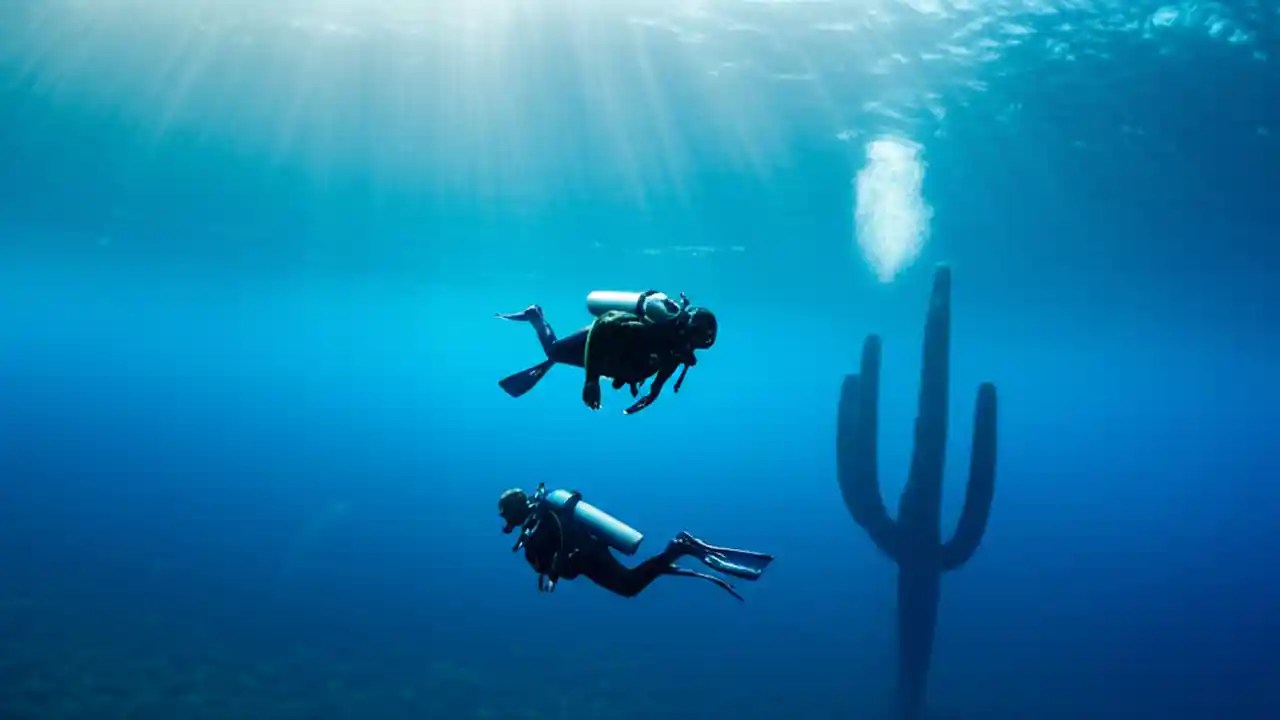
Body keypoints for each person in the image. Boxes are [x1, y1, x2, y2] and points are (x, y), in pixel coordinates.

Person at [497, 484, 773, 601]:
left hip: (585, 557)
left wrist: (556, 568)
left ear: (516, 509)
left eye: (507, 513)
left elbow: (551, 569)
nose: (507, 520)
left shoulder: (535, 527)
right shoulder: (546, 510)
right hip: (593, 547)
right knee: (629, 583)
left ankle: (679, 548)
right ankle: (675, 552)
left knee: (628, 586)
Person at [496, 290, 717, 414]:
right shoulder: (650, 329)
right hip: (598, 341)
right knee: (554, 352)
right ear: (686, 330)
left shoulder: (678, 345)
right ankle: (535, 316)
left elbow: (671, 362)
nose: (689, 348)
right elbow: (604, 324)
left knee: (561, 356)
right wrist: (591, 381)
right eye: (691, 341)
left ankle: (566, 357)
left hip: (614, 361)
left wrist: (654, 392)